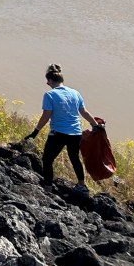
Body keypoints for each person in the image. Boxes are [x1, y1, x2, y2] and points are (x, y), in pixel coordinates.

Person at [24, 64, 102, 192]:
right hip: (76, 133)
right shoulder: (75, 93)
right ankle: (82, 185)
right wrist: (95, 125)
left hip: (58, 133)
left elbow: (46, 115)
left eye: (47, 81)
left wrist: (35, 131)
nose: (46, 83)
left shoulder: (49, 95)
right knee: (75, 158)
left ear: (50, 81)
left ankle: (48, 188)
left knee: (47, 159)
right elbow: (84, 112)